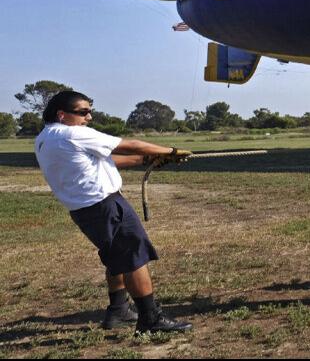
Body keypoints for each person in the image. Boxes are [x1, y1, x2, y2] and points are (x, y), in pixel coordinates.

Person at [33, 91, 193, 333]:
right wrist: (170, 151)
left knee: (118, 255)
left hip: (85, 210)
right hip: (105, 205)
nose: (89, 116)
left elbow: (103, 160)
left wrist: (145, 159)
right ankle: (150, 319)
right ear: (62, 115)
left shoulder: (45, 138)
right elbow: (129, 145)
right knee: (134, 256)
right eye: (83, 112)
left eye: (89, 110)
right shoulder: (73, 133)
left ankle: (118, 309)